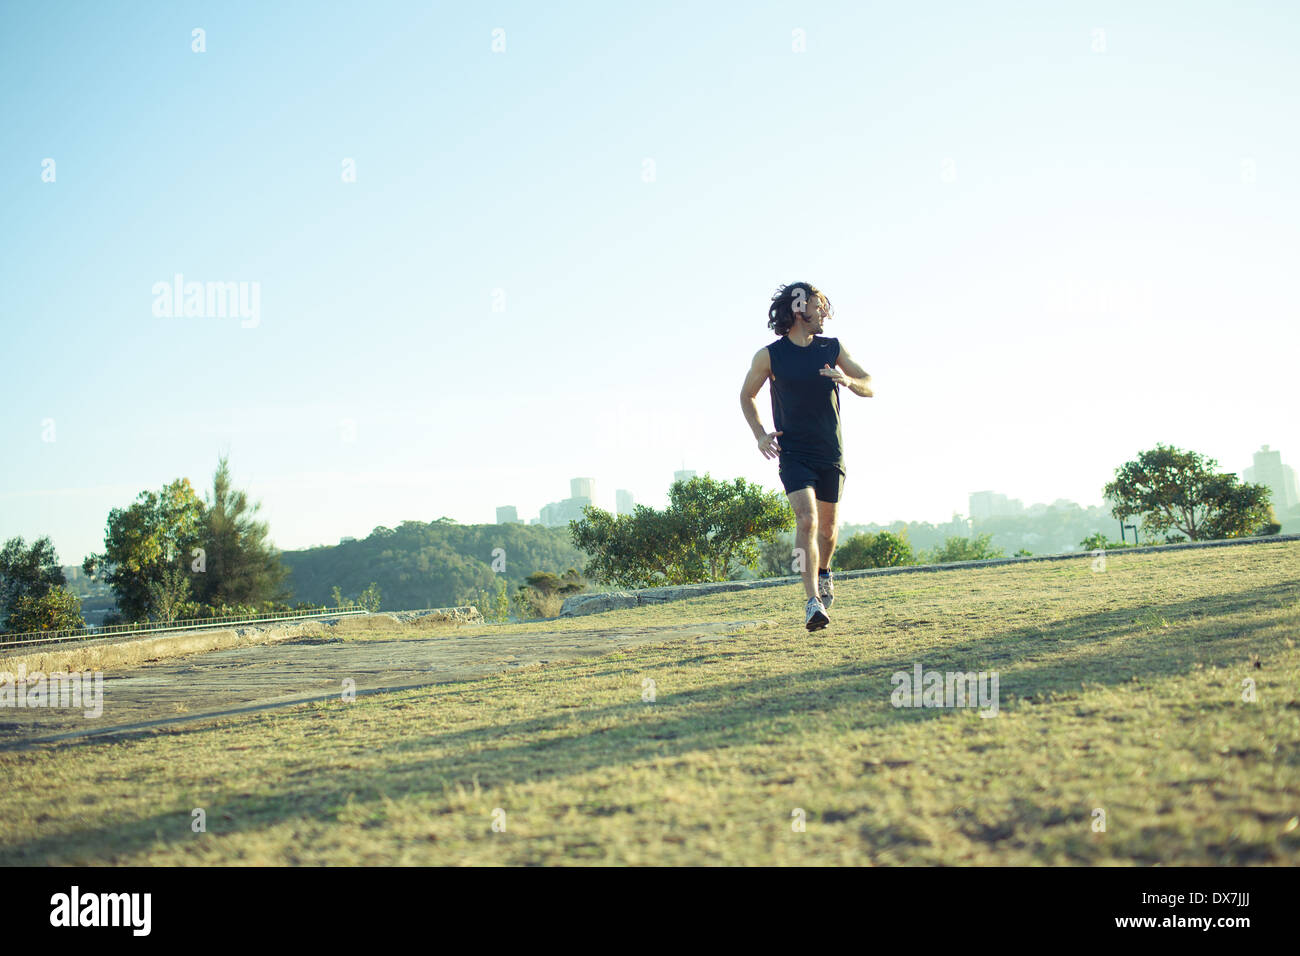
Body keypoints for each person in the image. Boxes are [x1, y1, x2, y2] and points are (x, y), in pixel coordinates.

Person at [739, 282, 873, 630]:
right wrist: (759, 434)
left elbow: (869, 384)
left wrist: (846, 380)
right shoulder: (770, 355)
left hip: (830, 451)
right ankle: (812, 602)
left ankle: (824, 570)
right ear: (800, 311)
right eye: (819, 306)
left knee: (827, 529)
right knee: (807, 520)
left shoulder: (832, 347)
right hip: (793, 452)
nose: (825, 313)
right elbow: (746, 396)